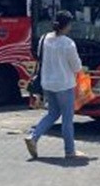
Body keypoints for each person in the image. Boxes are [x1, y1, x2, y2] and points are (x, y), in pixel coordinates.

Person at [23, 10, 88, 160]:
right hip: (64, 85)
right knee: (67, 118)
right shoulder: (68, 44)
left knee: (52, 113)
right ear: (67, 25)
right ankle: (70, 151)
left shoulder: (44, 39)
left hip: (47, 83)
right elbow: (76, 67)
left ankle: (34, 137)